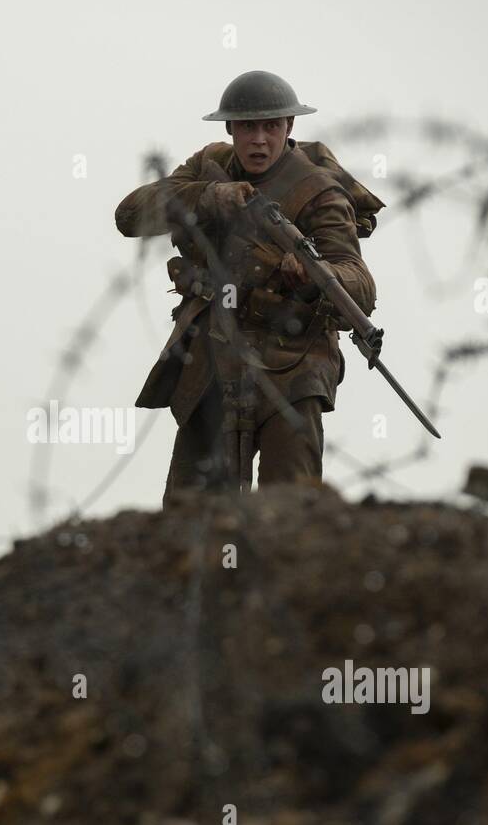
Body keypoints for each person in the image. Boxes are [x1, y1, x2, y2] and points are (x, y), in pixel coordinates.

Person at [115, 71, 384, 504]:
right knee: (191, 512)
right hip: (215, 357)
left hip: (293, 363)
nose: (259, 139)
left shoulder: (318, 191)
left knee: (288, 508)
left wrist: (316, 277)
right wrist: (208, 198)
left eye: (271, 126)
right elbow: (129, 216)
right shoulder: (209, 167)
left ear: (289, 128)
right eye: (248, 127)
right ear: (230, 129)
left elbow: (360, 284)